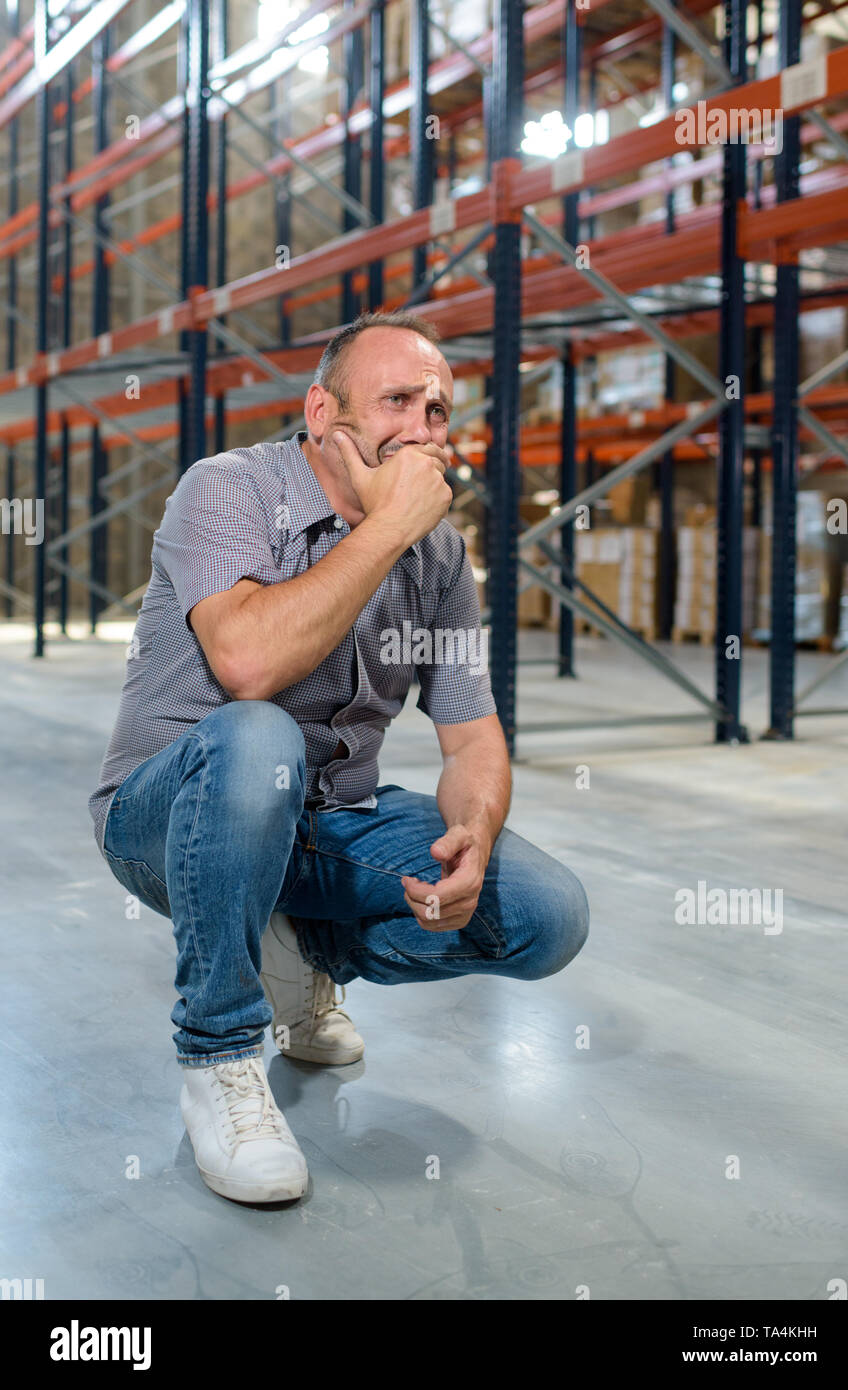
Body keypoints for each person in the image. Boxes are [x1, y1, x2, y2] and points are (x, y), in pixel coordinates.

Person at [88, 309, 589, 1205]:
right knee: (259, 734)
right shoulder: (229, 489)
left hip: (327, 824)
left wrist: (472, 828)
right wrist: (385, 530)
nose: (423, 428)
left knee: (547, 915)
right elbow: (247, 665)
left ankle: (305, 954)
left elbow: (471, 733)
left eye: (438, 409)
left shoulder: (440, 555)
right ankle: (220, 1054)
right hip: (167, 821)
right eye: (397, 399)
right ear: (322, 412)